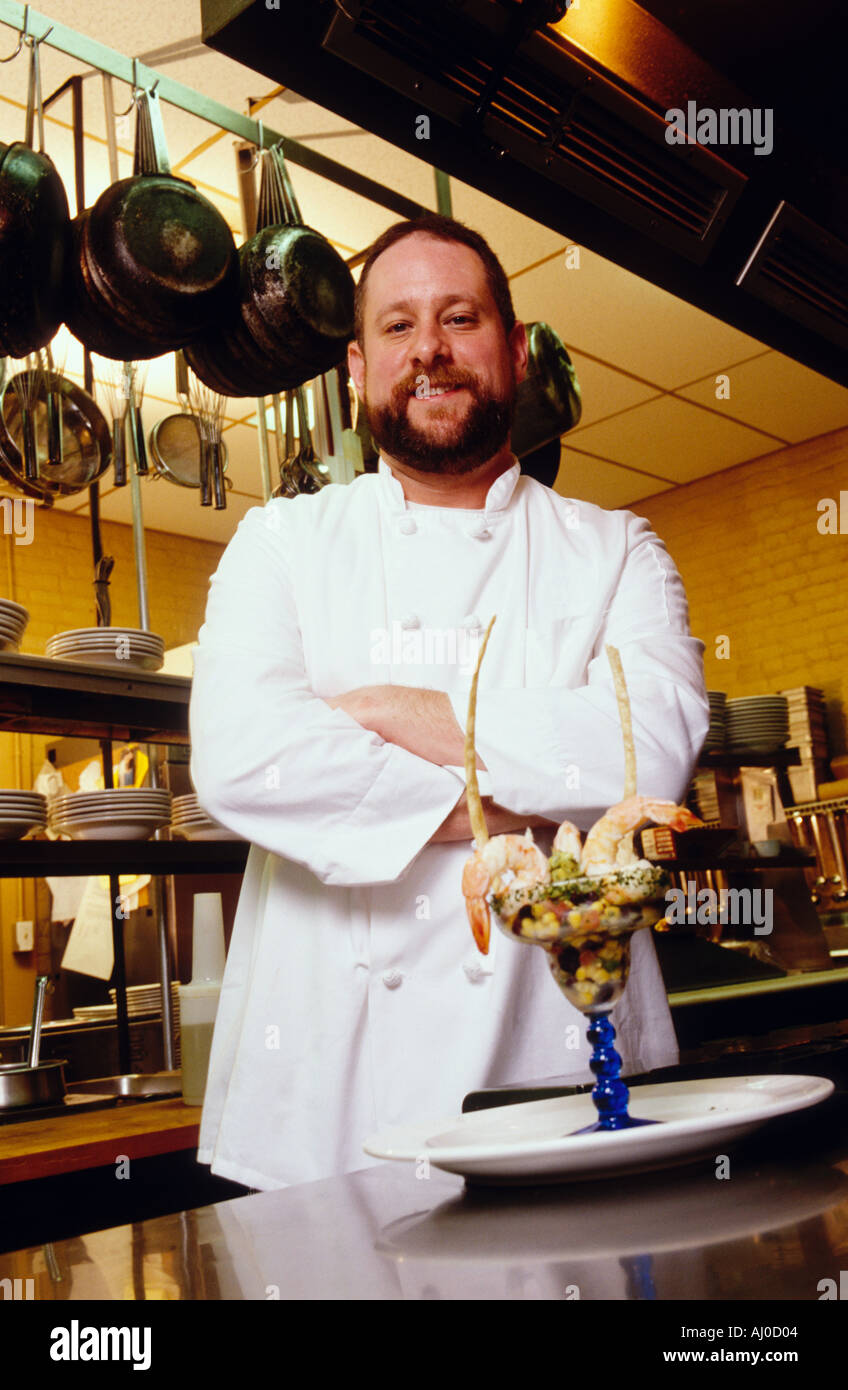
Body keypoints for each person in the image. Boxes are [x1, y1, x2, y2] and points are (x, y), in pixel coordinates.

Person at [189, 214, 709, 1191]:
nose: (427, 348)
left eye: (459, 318)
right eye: (396, 327)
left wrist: (388, 707)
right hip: (336, 1109)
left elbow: (651, 760)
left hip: (563, 1076)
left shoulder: (616, 550)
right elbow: (243, 757)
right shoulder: (280, 544)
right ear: (354, 370)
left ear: (512, 353)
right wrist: (540, 802)